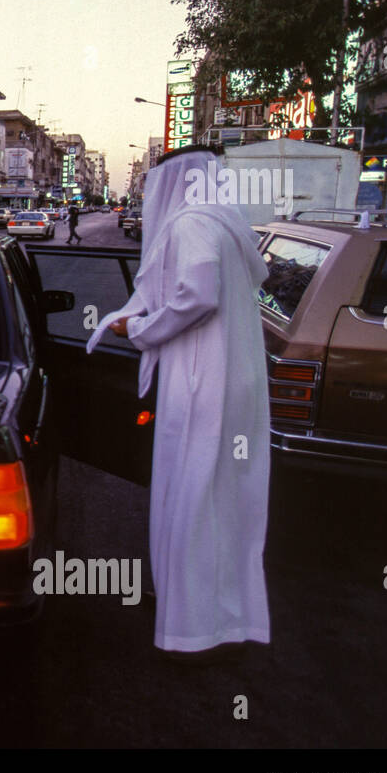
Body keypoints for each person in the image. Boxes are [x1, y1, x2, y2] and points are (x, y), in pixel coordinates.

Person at [85, 145, 271, 659]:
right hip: (237, 379)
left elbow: (199, 293)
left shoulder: (191, 224)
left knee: (190, 495)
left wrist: (139, 327)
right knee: (226, 500)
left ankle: (189, 625)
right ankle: (220, 613)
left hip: (201, 380)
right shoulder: (228, 223)